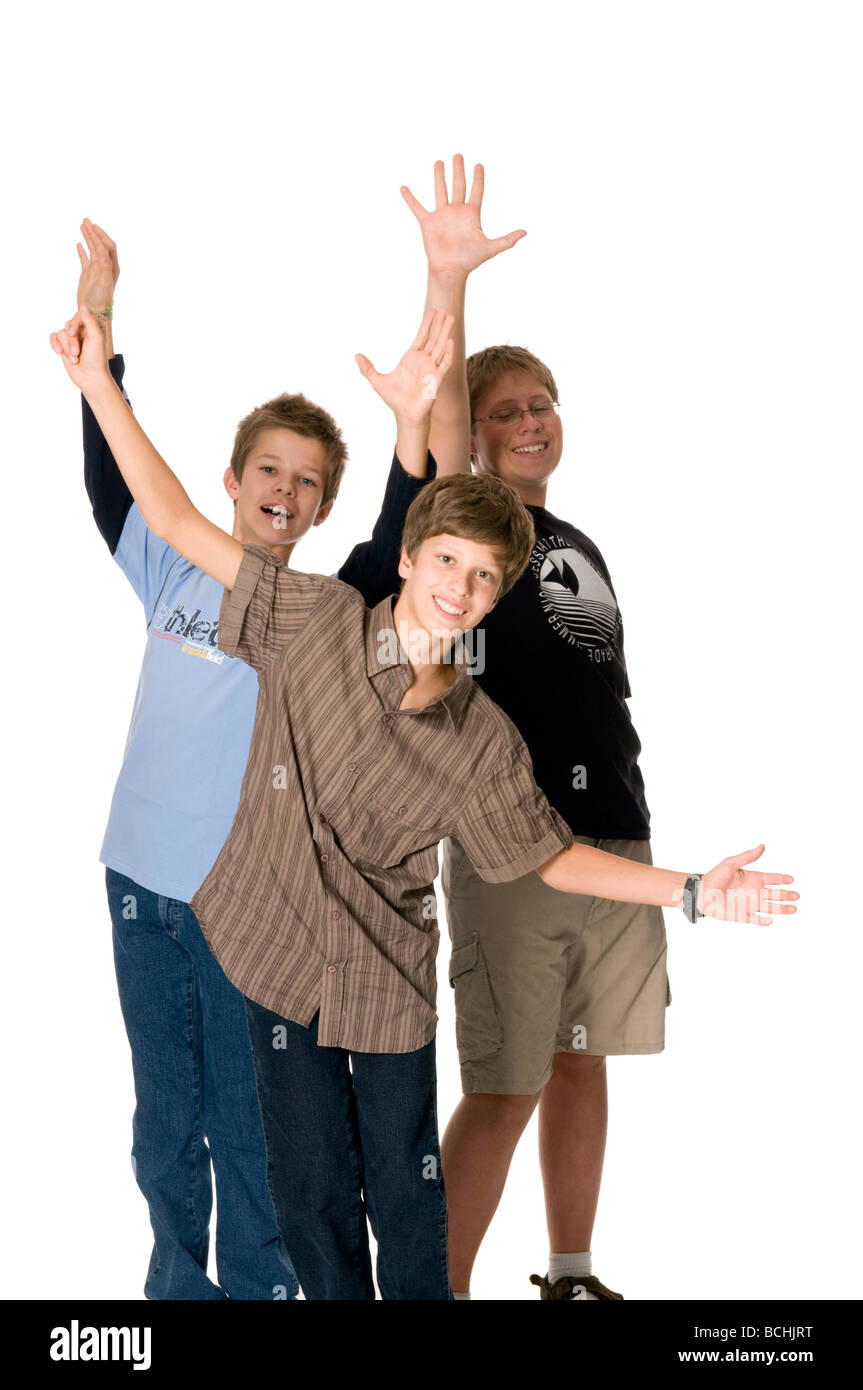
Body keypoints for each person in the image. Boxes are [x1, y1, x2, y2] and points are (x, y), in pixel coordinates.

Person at [51, 295, 796, 1301]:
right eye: (444, 562)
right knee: (308, 1189)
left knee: (403, 1196)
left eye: (483, 579)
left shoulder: (479, 740)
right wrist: (98, 380)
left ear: (494, 599)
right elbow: (177, 520)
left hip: (385, 983)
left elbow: (544, 855)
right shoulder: (311, 620)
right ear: (405, 560)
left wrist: (694, 891)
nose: (459, 587)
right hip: (271, 957)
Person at [399, 155, 765, 1300]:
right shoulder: (470, 531)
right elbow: (441, 425)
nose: (522, 421)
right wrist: (448, 285)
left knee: (577, 1063)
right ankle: (434, 1293)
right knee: (502, 1083)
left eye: (536, 404)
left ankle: (566, 1272)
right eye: (500, 409)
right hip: (517, 845)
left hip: (614, 834)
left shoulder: (579, 540)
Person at [68, 222, 447, 1300]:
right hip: (142, 890)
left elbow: (397, 534)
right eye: (267, 469)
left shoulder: (328, 614)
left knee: (253, 1137)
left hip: (252, 917)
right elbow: (112, 469)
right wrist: (101, 327)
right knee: (163, 1132)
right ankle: (172, 1296)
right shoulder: (167, 564)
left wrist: (409, 429)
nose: (284, 488)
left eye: (307, 480)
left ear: (320, 508)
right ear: (231, 482)